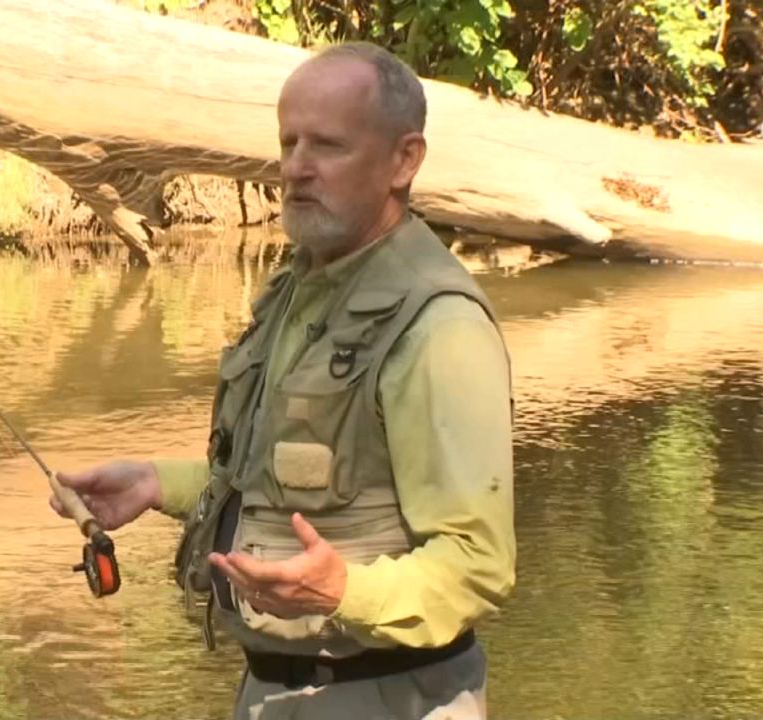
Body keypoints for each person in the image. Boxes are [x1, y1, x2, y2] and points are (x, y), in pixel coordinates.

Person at [50, 41, 515, 720]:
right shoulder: (298, 289)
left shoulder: (438, 325)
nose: (296, 168)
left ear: (403, 160)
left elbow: (477, 565)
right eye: (288, 142)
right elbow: (281, 482)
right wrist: (158, 484)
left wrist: (343, 592)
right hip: (275, 693)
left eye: (327, 145)